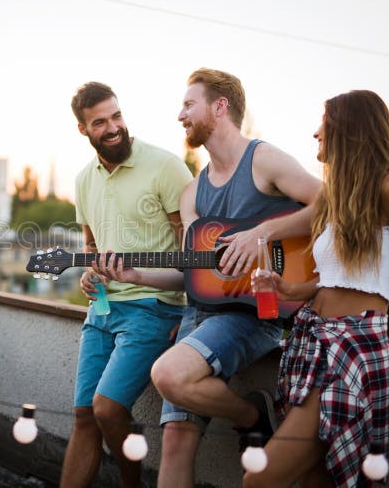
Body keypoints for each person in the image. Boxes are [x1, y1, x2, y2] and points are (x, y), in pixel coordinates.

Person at [95, 68, 321, 487]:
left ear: (219, 107)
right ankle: (251, 415)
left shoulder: (263, 160)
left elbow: (330, 203)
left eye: (188, 104)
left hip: (254, 315)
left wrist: (262, 233)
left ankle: (251, 415)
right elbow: (194, 275)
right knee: (174, 446)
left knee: (168, 375)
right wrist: (136, 274)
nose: (180, 115)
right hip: (199, 318)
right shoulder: (192, 193)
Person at [243, 90, 389, 488]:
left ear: (349, 129)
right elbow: (335, 279)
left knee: (259, 479)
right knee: (315, 481)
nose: (316, 132)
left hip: (352, 350)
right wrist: (289, 289)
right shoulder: (340, 196)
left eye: (325, 122)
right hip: (313, 342)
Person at [60, 81, 193, 488]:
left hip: (154, 308)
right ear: (83, 129)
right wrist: (90, 271)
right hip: (101, 309)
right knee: (84, 415)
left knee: (106, 408)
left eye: (116, 116)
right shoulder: (83, 179)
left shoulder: (166, 167)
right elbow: (92, 247)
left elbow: (194, 255)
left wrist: (191, 316)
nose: (113, 127)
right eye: (100, 122)